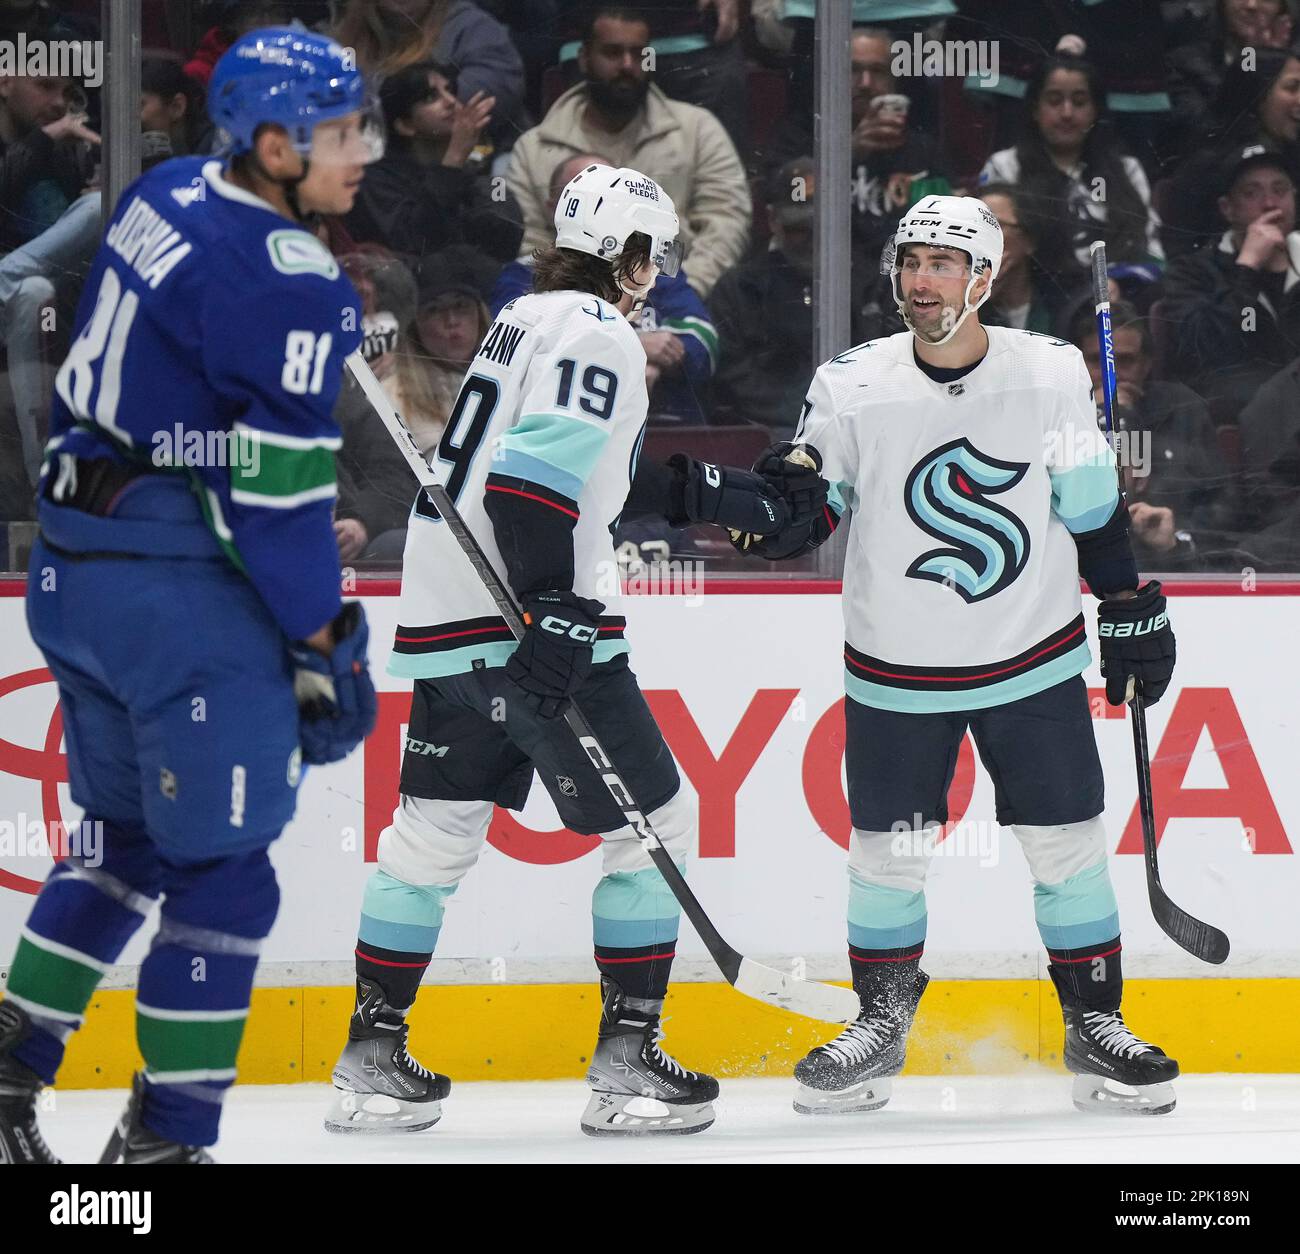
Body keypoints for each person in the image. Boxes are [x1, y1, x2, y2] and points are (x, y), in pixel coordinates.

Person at [324, 165, 818, 1138]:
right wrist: (555, 607)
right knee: (655, 826)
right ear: (634, 261)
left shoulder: (524, 320)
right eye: (651, 258)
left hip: (445, 621)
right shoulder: (599, 333)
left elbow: (570, 471)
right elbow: (531, 488)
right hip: (528, 618)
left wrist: (709, 494)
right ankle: (627, 1063)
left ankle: (370, 1060)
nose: (652, 275)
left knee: (430, 835)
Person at [0, 28, 380, 1164]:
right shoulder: (292, 280)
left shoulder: (166, 189)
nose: (360, 151)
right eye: (338, 132)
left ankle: (6, 1076)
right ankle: (165, 1153)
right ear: (273, 145)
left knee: (118, 848)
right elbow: (276, 506)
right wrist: (327, 640)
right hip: (185, 605)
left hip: (75, 573)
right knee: (222, 883)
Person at [737, 194, 1180, 1117]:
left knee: (1066, 847)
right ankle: (881, 1024)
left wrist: (1132, 604)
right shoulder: (851, 382)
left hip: (1034, 659)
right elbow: (814, 507)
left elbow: (1091, 508)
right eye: (910, 262)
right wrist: (768, 513)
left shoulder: (1051, 374)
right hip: (896, 667)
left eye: (943, 263)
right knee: (886, 854)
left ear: (985, 278)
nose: (921, 280)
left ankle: (1095, 1027)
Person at [506, 5, 750, 298]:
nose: (627, 65)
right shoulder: (534, 149)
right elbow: (527, 241)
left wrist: (681, 295)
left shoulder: (698, 131)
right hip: (570, 311)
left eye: (638, 54)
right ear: (584, 58)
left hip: (676, 306)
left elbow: (726, 222)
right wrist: (584, 303)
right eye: (612, 53)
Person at [493, 153, 717, 422]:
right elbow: (527, 356)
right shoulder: (521, 279)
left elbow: (704, 339)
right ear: (558, 206)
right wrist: (633, 348)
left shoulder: (651, 266)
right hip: (565, 429)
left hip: (666, 427)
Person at [1067, 299, 1239, 570]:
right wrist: (1102, 414)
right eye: (1097, 361)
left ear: (1146, 364)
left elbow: (1224, 503)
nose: (1111, 374)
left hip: (1174, 564)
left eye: (1124, 361)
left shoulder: (1183, 408)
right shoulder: (1059, 413)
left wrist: (1178, 539)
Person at [978, 56, 1163, 292]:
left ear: (1096, 110)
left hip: (1118, 296)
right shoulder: (1005, 167)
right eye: (1054, 101)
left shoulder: (1127, 170)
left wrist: (1115, 284)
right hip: (1042, 297)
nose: (1067, 113)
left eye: (1079, 102)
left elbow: (1151, 252)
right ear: (1035, 109)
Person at [1162, 146, 1300, 425]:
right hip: (1244, 413)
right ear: (1228, 208)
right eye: (1252, 193)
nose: (1270, 204)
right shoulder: (1193, 271)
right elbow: (1202, 347)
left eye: (1280, 190)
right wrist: (1247, 267)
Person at [344, 59, 523, 266]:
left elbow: (507, 240)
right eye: (431, 97)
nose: (450, 102)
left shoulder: (476, 175)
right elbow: (417, 242)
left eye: (449, 91)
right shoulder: (377, 179)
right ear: (405, 125)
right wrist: (454, 158)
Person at [974, 183, 1063, 333]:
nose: (980, 235)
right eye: (975, 226)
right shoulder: (958, 301)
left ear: (1029, 239)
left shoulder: (1061, 302)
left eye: (995, 225)